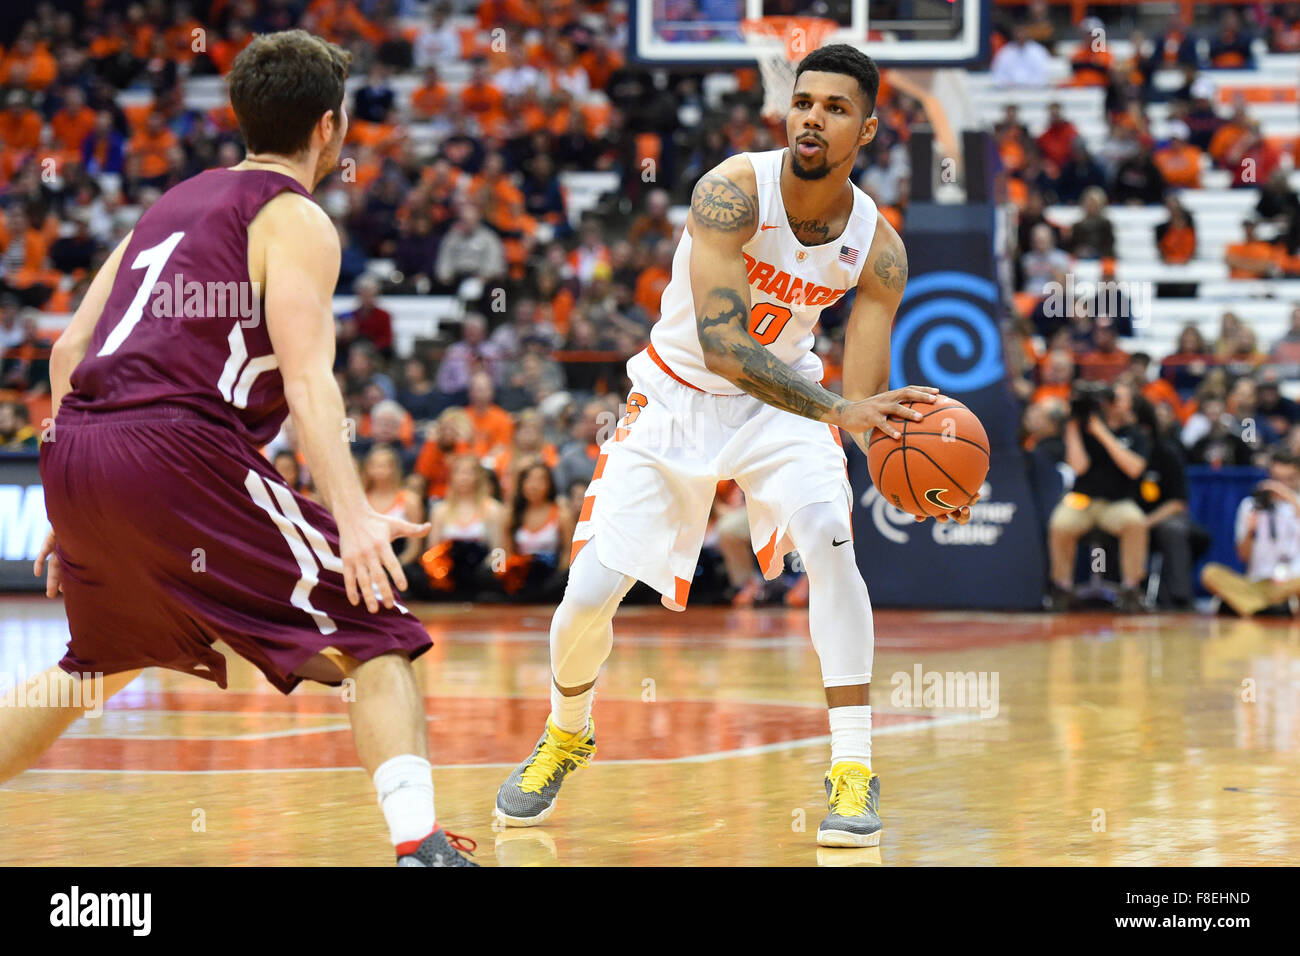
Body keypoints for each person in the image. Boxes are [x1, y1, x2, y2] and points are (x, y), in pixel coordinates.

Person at [2, 31, 475, 867]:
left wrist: (80, 504)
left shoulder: (166, 207)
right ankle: (420, 847)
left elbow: (65, 353)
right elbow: (309, 382)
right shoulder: (294, 219)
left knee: (94, 666)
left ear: (241, 117)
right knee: (378, 632)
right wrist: (355, 514)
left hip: (79, 448)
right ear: (329, 128)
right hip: (177, 450)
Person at [493, 45, 971, 848]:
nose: (813, 116)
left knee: (830, 537)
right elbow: (723, 348)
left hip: (783, 405)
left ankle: (852, 769)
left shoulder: (879, 249)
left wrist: (895, 449)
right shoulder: (731, 191)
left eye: (835, 107)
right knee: (587, 596)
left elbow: (860, 397)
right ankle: (566, 730)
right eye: (805, 101)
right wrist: (840, 408)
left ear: (870, 129)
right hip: (675, 396)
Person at [1047, 381, 1150, 611]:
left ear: (1129, 406)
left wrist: (1102, 434)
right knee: (1060, 523)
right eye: (1112, 398)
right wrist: (1072, 428)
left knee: (1135, 522)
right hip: (1082, 499)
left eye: (1120, 398)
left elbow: (1134, 469)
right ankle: (1061, 587)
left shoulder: (1135, 434)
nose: (1113, 402)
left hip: (1117, 502)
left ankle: (1131, 589)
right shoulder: (1082, 428)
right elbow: (1079, 467)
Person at [1202, 452, 1300, 616]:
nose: (1280, 485)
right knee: (1210, 573)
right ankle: (1270, 609)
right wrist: (1250, 531)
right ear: (1269, 476)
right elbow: (1243, 556)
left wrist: (1289, 499)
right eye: (1277, 479)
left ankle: (1243, 606)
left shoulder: (1296, 504)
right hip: (1256, 583)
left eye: (1287, 479)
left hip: (1290, 582)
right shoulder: (1250, 505)